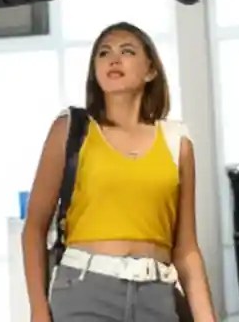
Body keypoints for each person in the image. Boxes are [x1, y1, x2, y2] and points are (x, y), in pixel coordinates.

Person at [21, 21, 217, 322]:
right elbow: (34, 227)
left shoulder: (178, 143)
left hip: (157, 296)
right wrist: (38, 311)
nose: (114, 58)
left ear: (150, 70)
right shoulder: (71, 130)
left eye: (127, 51)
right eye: (103, 53)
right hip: (85, 290)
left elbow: (186, 249)